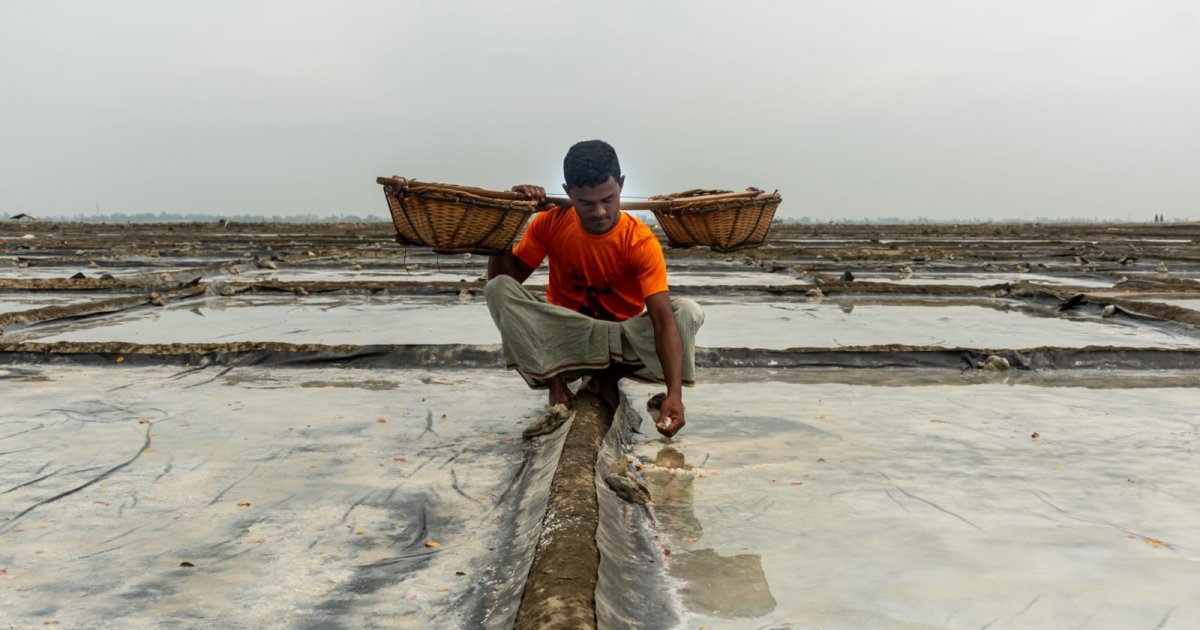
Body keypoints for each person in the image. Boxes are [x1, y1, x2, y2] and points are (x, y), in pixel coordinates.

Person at [485, 140, 704, 438]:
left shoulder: (639, 241)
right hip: (565, 344)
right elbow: (505, 284)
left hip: (621, 348)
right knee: (497, 288)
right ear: (568, 193)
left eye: (608, 199)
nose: (599, 212)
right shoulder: (550, 223)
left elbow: (664, 321)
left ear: (621, 185)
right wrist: (511, 217)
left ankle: (605, 380)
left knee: (687, 312)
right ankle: (556, 385)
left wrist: (675, 395)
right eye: (586, 203)